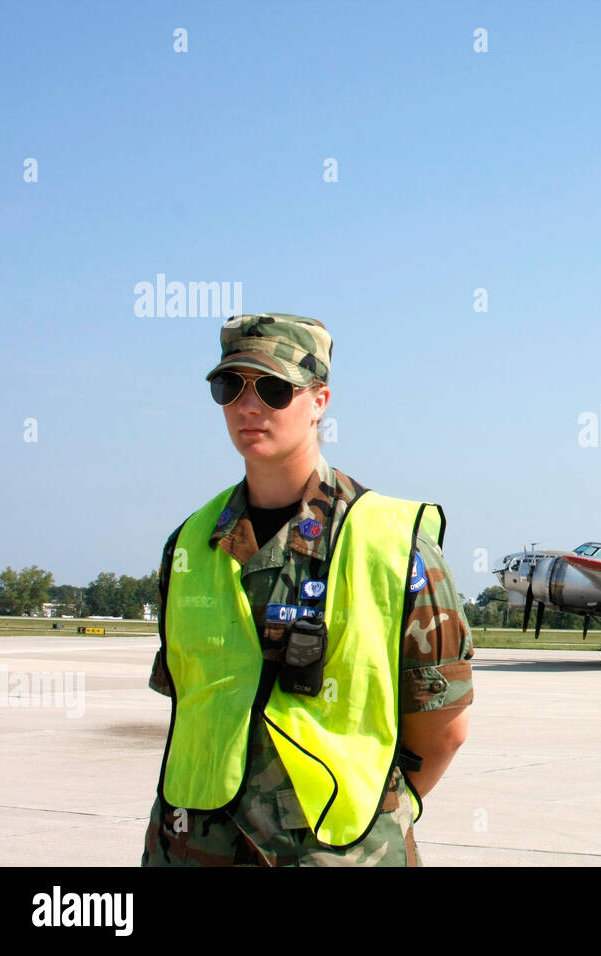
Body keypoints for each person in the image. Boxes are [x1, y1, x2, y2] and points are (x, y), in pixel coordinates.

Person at [142, 313, 472, 866]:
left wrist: (380, 812)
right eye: (230, 387)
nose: (249, 407)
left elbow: (444, 726)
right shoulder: (191, 543)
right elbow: (189, 699)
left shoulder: (392, 540)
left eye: (273, 389)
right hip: (191, 849)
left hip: (337, 853)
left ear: (319, 400)